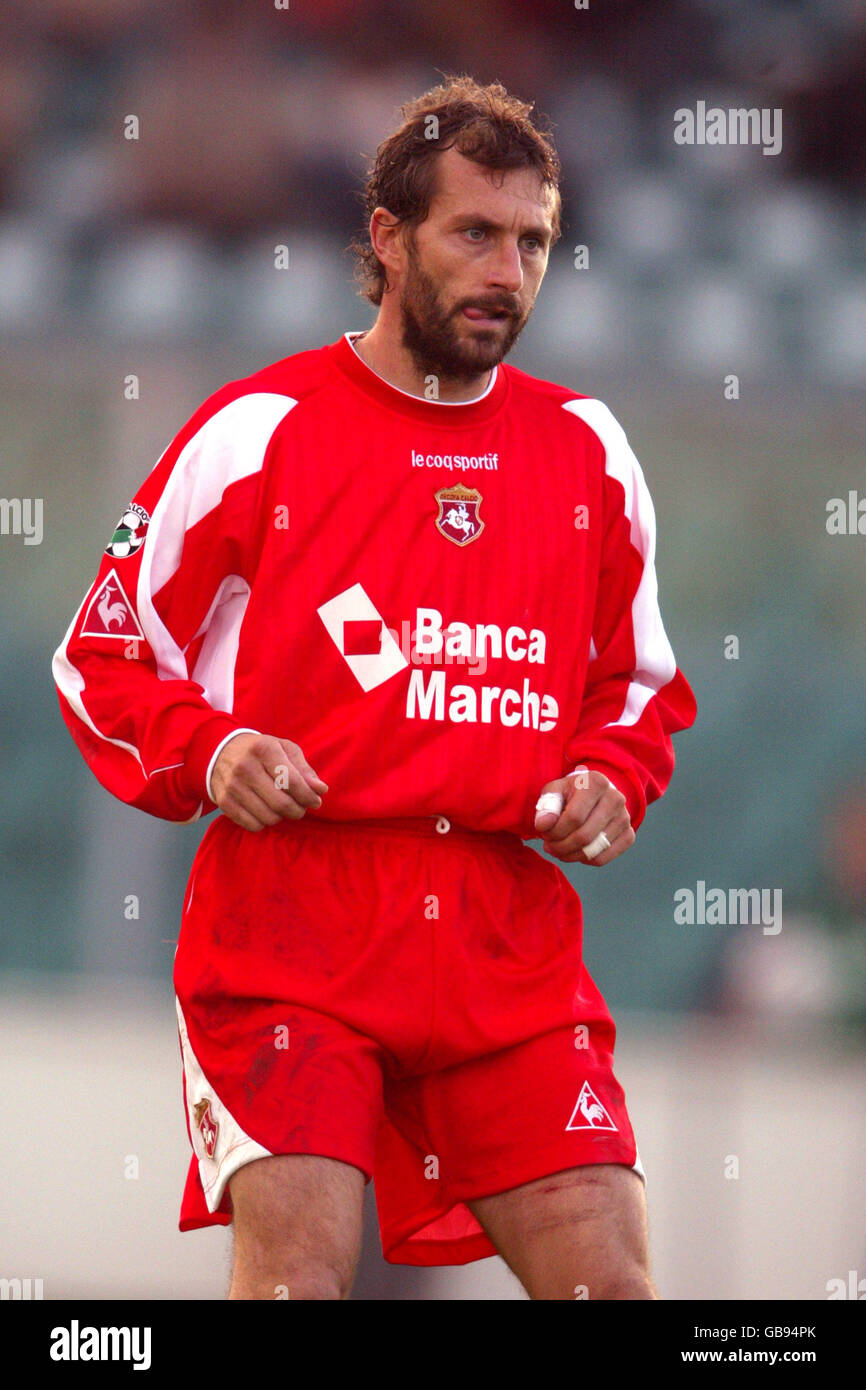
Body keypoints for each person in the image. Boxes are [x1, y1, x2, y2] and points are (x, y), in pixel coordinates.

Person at [52, 74, 697, 1300]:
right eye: (474, 233)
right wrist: (211, 749)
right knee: (298, 1278)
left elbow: (638, 689)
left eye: (532, 242)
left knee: (612, 1288)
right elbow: (103, 652)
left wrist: (611, 779)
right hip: (295, 934)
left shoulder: (589, 452)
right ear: (388, 240)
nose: (507, 271)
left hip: (505, 944)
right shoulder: (260, 429)